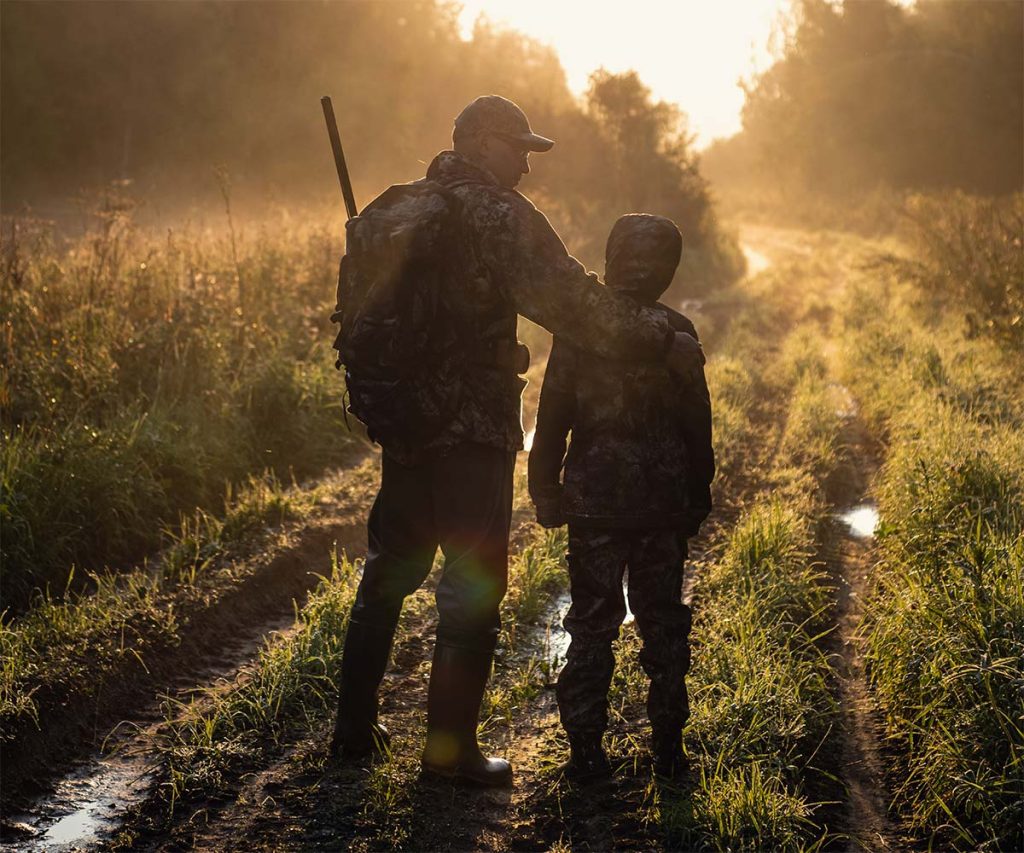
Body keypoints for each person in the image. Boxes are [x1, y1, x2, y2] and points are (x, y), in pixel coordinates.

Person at [330, 96, 706, 788]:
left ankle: (352, 731)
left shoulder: (394, 205)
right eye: (517, 151)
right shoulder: (496, 214)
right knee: (472, 585)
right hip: (471, 428)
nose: (526, 170)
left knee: (390, 569)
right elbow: (573, 304)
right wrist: (658, 339)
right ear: (477, 142)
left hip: (405, 422)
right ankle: (450, 755)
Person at [528, 213, 714, 781]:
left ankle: (585, 751)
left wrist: (545, 488)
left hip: (594, 504)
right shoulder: (676, 332)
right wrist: (698, 494)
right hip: (660, 506)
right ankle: (669, 749)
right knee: (662, 622)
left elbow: (552, 416)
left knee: (591, 624)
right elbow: (696, 424)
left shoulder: (581, 333)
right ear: (668, 268)